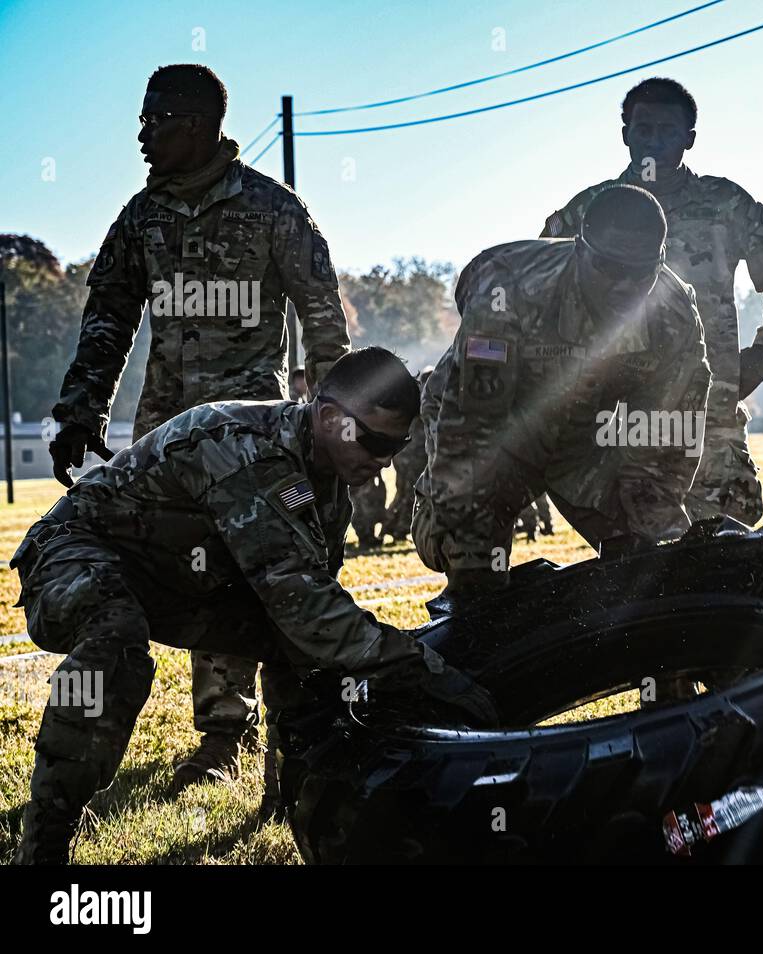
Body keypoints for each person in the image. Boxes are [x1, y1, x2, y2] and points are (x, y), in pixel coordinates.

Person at [12, 348, 494, 864]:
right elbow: (306, 609)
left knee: (306, 656)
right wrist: (424, 668)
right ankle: (45, 840)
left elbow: (307, 627)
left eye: (396, 446)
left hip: (176, 580)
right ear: (331, 417)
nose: (385, 461)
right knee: (116, 640)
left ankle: (291, 796)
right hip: (73, 551)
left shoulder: (330, 492)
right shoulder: (249, 450)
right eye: (376, 441)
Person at [46, 64, 352, 792]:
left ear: (199, 125)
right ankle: (216, 728)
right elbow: (109, 318)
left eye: (156, 120)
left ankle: (258, 734)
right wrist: (80, 410)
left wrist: (332, 419)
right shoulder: (141, 217)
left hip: (254, 436)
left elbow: (322, 317)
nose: (142, 135)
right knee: (180, 567)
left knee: (258, 569)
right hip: (164, 434)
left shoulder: (273, 210)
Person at [414, 184, 711, 598]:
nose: (625, 286)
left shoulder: (674, 317)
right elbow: (472, 428)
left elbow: (668, 437)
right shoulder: (509, 289)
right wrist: (457, 520)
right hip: (500, 433)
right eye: (610, 268)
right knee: (470, 551)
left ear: (658, 264)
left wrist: (645, 522)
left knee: (656, 559)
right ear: (580, 249)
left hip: (590, 441)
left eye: (639, 273)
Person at [543, 77, 763, 526]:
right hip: (616, 422)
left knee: (727, 548)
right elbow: (543, 297)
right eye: (642, 129)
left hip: (710, 417)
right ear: (625, 133)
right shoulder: (588, 213)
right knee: (632, 561)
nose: (654, 142)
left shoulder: (725, 204)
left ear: (690, 138)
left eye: (668, 131)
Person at [383, 366, 434, 543]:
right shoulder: (425, 398)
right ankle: (399, 528)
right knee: (410, 493)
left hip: (406, 453)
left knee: (403, 492)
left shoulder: (415, 397)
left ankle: (389, 526)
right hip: (412, 455)